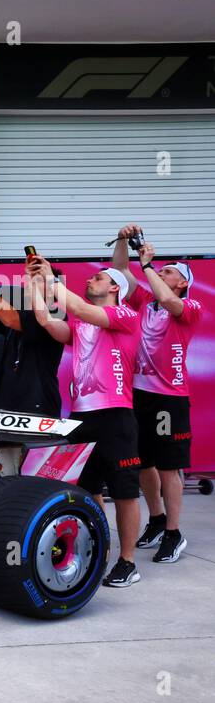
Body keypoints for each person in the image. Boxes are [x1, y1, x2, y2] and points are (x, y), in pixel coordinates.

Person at [29, 254, 143, 588]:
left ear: (114, 288)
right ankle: (101, 547)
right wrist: (35, 285)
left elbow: (77, 308)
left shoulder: (124, 314)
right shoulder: (81, 323)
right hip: (81, 415)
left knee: (124, 492)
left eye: (98, 278)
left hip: (115, 414)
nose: (91, 280)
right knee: (88, 489)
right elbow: (49, 323)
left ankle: (128, 561)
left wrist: (51, 278)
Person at [112, 225, 202, 564]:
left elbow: (167, 297)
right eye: (159, 270)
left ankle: (174, 532)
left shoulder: (188, 306)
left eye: (169, 272)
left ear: (181, 283)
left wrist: (148, 265)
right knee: (142, 462)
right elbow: (120, 271)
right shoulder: (144, 302)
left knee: (168, 468)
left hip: (170, 398)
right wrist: (123, 240)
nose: (160, 274)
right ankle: (157, 518)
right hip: (139, 393)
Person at [0, 245, 64, 417]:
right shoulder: (23, 313)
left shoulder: (54, 315)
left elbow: (8, 318)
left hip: (35, 406)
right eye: (28, 277)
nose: (29, 282)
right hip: (5, 404)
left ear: (52, 288)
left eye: (37, 279)